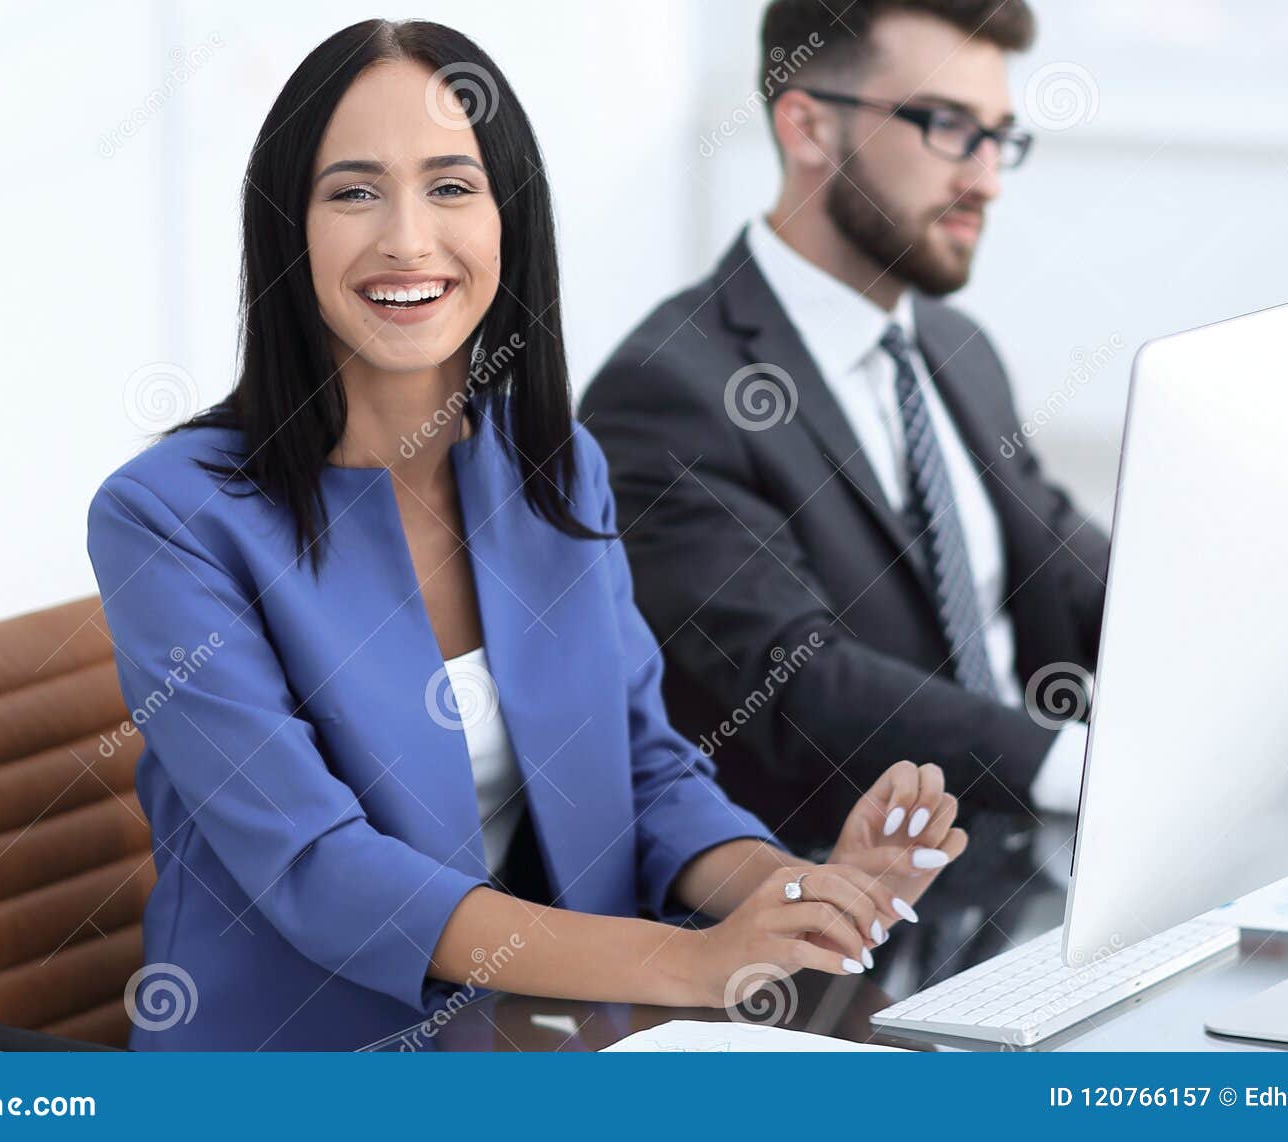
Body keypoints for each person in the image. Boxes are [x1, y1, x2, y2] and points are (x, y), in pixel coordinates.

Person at [86, 18, 967, 1051]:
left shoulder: (550, 464)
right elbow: (320, 871)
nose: (408, 239)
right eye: (354, 191)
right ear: (288, 228)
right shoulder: (168, 516)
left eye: (452, 186)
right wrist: (684, 958)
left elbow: (644, 767)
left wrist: (794, 892)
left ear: (510, 220)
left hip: (545, 1036)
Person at [579, 0, 1108, 861]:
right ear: (809, 125)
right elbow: (795, 676)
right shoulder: (666, 388)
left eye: (1000, 137)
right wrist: (1070, 764)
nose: (987, 180)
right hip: (831, 911)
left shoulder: (954, 347)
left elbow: (1057, 555)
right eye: (948, 127)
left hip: (1033, 859)